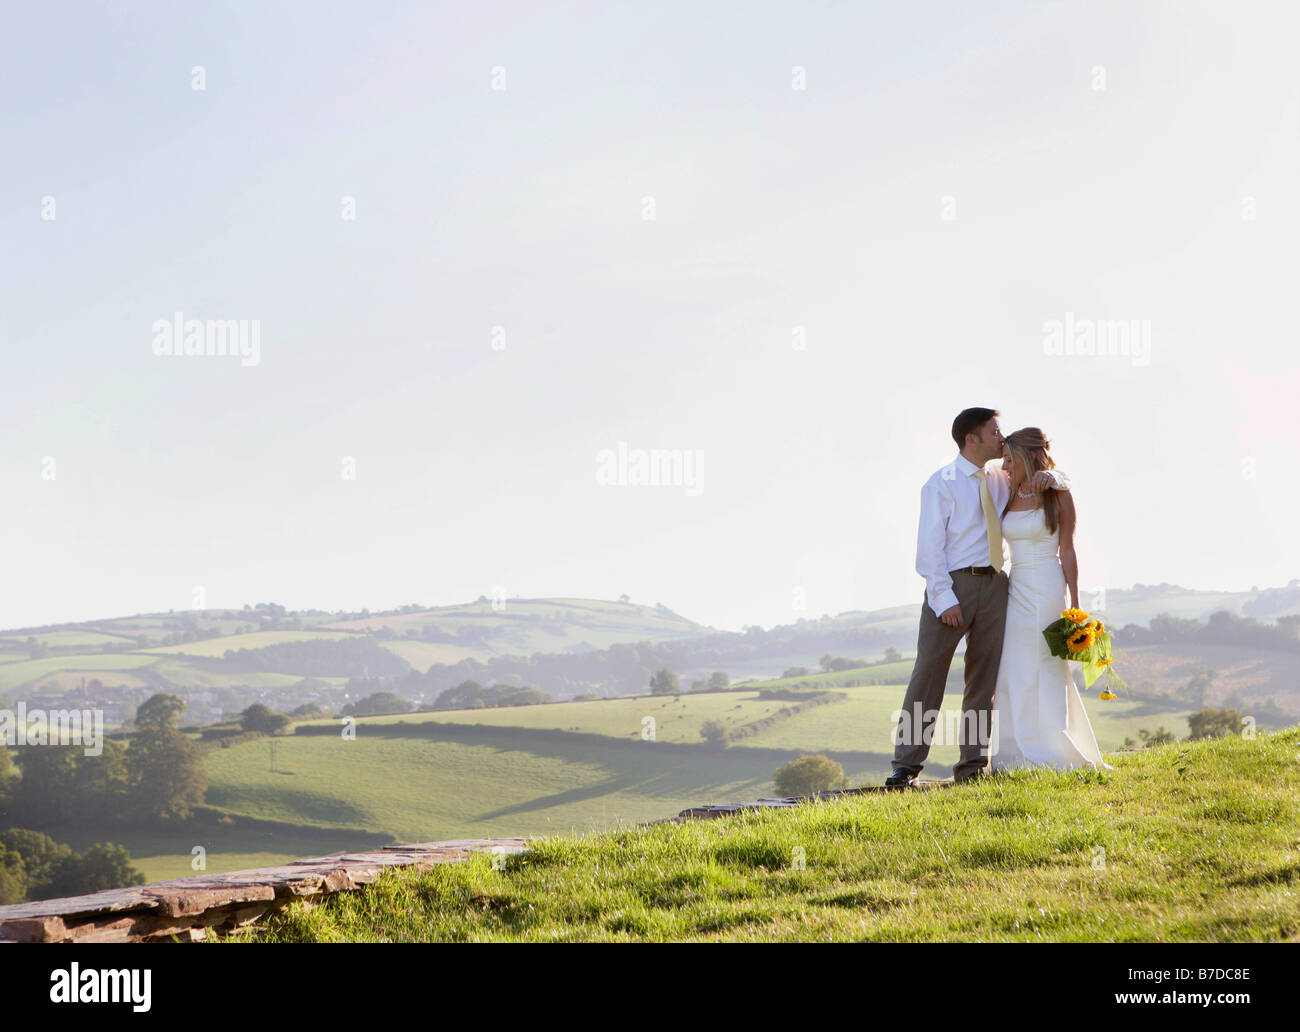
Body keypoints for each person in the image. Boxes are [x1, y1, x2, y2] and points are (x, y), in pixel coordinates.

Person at [886, 407, 1069, 786]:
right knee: (928, 676)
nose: (1001, 438)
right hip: (953, 588)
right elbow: (928, 550)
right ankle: (906, 766)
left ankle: (972, 766)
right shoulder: (941, 483)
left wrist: (1055, 475)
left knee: (983, 682)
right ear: (972, 438)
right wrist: (944, 599)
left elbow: (1050, 475)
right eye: (994, 432)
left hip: (997, 587)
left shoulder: (1002, 478)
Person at [988, 428, 1110, 772]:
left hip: (1047, 583)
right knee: (1013, 663)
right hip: (1016, 584)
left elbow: (1068, 550)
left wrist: (1075, 603)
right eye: (1005, 459)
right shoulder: (1007, 489)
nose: (1006, 466)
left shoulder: (1057, 493)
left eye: (1011, 459)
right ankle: (1013, 754)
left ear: (1028, 457)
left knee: (1046, 663)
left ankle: (1055, 746)